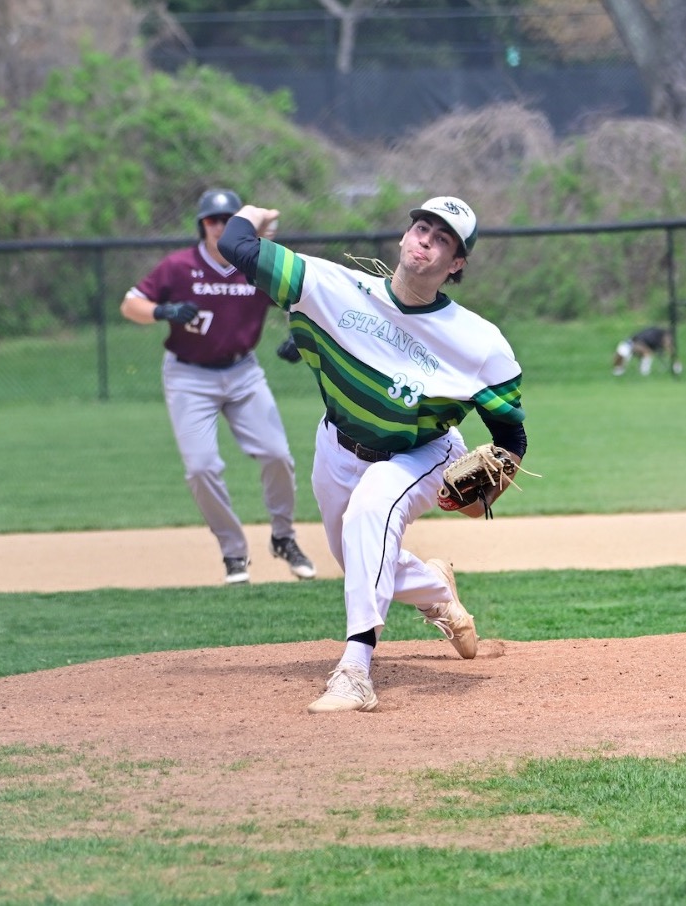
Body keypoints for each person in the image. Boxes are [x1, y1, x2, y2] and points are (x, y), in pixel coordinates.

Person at [218, 195, 528, 714]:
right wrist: (253, 214)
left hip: (420, 452)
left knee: (372, 509)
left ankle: (356, 671)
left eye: (443, 237)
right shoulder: (333, 287)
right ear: (405, 237)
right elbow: (235, 245)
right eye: (422, 227)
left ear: (456, 264)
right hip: (336, 446)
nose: (426, 238)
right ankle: (435, 590)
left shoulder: (478, 342)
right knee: (357, 557)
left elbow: (511, 439)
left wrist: (488, 494)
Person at [120, 187, 315, 585]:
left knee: (278, 454)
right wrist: (164, 310)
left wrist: (304, 335)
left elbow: (303, 300)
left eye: (228, 220)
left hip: (243, 372)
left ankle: (283, 537)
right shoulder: (179, 267)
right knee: (201, 468)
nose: (220, 227)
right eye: (213, 220)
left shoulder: (256, 266)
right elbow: (129, 304)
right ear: (202, 225)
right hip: (189, 376)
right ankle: (234, 553)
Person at [611, 325, 676, 376]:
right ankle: (619, 371)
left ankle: (644, 373)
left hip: (638, 344)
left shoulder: (661, 335)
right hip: (634, 343)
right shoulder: (655, 335)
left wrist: (675, 362)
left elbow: (669, 348)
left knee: (647, 353)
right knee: (622, 353)